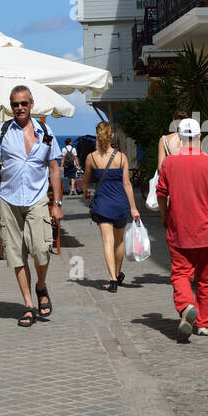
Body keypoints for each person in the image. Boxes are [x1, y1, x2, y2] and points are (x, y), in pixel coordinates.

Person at [0, 86, 63, 326]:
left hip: (37, 198)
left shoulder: (45, 131)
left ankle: (41, 286)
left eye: (23, 103)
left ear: (31, 105)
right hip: (8, 200)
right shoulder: (2, 131)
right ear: (11, 106)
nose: (19, 108)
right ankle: (28, 305)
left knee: (41, 250)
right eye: (15, 104)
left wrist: (57, 203)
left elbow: (54, 168)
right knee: (16, 254)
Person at [156, 116, 208, 340]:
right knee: (206, 279)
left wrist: (164, 217)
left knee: (181, 274)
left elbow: (161, 194)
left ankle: (185, 306)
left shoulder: (169, 163)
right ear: (200, 136)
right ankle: (203, 323)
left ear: (180, 138)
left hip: (179, 230)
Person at [83, 122, 140, 291]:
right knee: (119, 242)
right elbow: (127, 184)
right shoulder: (121, 157)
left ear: (97, 136)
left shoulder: (91, 158)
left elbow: (86, 180)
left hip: (102, 205)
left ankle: (113, 280)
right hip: (120, 204)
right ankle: (118, 271)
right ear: (112, 136)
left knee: (107, 241)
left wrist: (86, 191)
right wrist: (134, 208)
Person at [156, 109, 188, 174]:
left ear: (173, 121)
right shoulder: (193, 139)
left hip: (171, 179)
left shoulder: (164, 140)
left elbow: (160, 167)